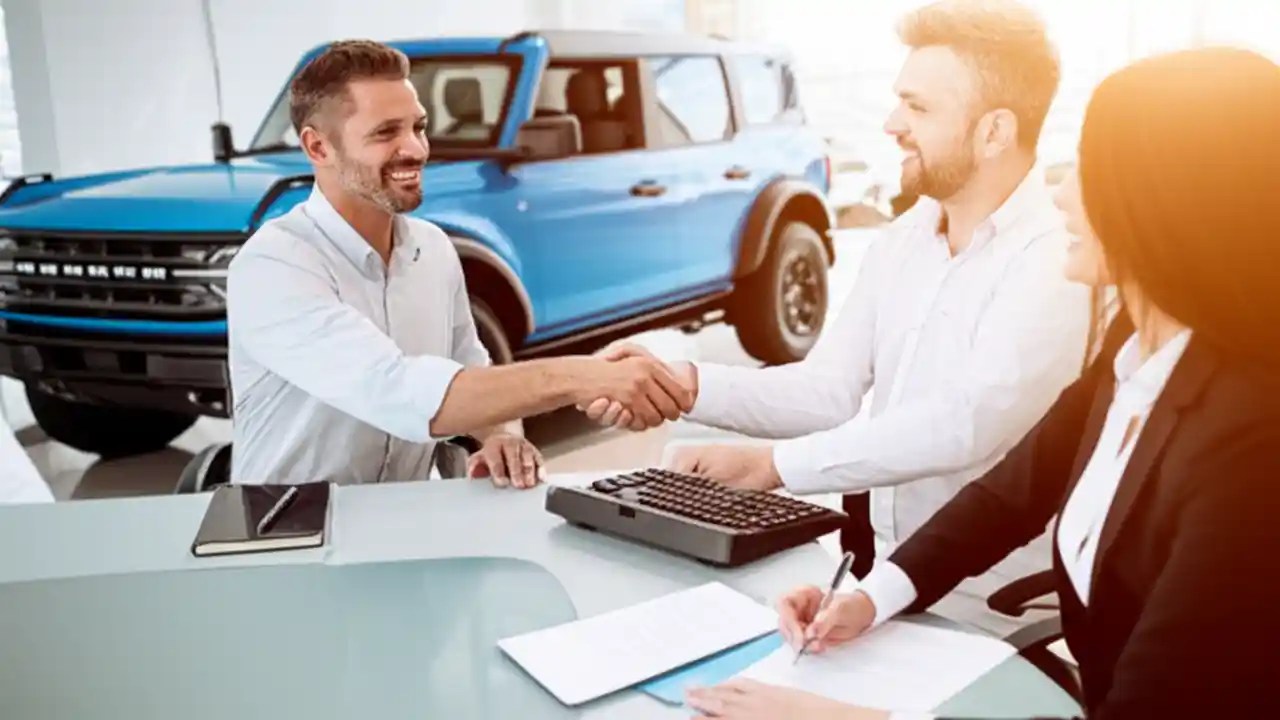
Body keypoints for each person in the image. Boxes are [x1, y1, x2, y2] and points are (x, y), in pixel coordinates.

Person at [688, 46, 1280, 720]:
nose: (1060, 191)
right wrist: (872, 597)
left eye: (1091, 168)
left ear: (1168, 201)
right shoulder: (1141, 349)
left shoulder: (1252, 445)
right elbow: (1015, 491)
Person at [589, 0, 1089, 633]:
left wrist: (773, 466)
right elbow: (827, 390)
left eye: (919, 107)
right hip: (877, 583)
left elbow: (965, 424)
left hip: (983, 608)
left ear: (994, 132)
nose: (891, 123)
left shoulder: (1053, 258)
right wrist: (682, 381)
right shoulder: (903, 240)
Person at [227, 41, 692, 487]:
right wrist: (582, 376)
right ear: (318, 148)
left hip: (398, 522)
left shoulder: (432, 248)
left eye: (419, 127)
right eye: (386, 132)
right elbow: (398, 391)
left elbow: (471, 367)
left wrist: (500, 435)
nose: (416, 149)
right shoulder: (275, 264)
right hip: (287, 537)